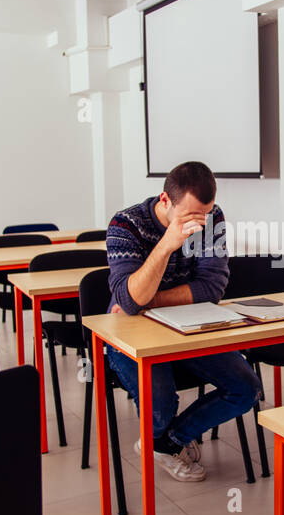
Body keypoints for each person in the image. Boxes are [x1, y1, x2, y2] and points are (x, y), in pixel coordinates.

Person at [105, 162, 259, 482]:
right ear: (165, 200)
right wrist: (166, 244)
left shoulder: (211, 218)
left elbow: (211, 289)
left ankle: (166, 442)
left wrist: (149, 301)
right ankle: (163, 436)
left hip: (190, 325)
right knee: (161, 401)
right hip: (129, 334)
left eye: (204, 215)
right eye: (188, 217)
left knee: (246, 388)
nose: (197, 225)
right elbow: (129, 299)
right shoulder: (126, 224)